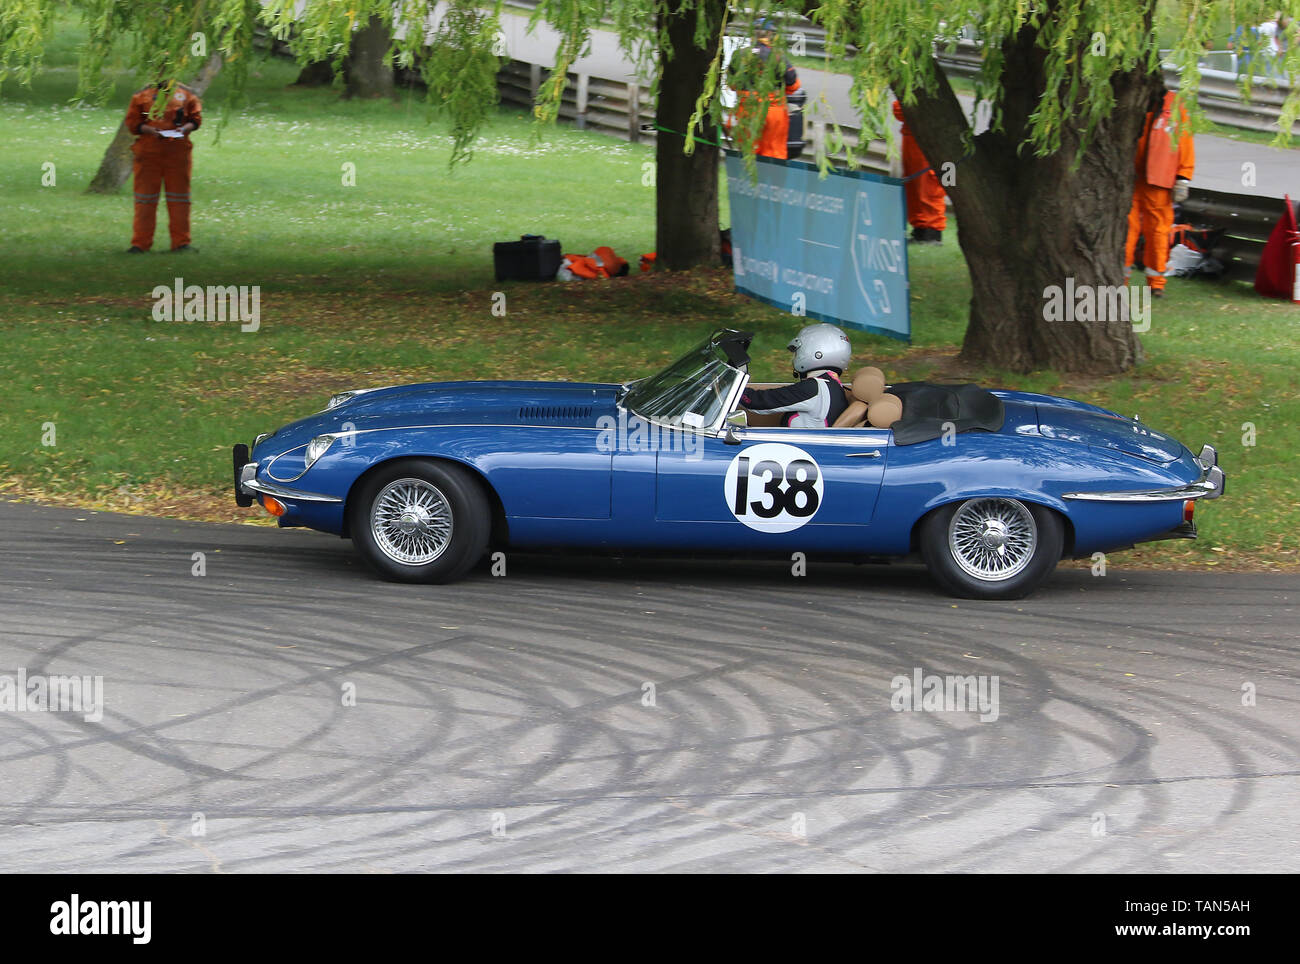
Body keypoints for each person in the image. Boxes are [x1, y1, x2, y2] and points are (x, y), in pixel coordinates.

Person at [1124, 86, 1195, 298]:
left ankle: (1156, 283)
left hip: (1159, 181)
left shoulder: (1175, 105)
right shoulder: (1130, 95)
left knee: (1158, 233)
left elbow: (1184, 141)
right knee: (1127, 231)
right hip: (1131, 179)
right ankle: (1120, 280)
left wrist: (1183, 177)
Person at [123, 75, 202, 253]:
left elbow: (195, 120)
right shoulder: (142, 97)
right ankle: (140, 244)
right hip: (149, 153)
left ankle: (181, 243)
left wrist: (183, 129)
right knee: (145, 199)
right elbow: (134, 123)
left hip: (178, 153)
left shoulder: (187, 96)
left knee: (179, 198)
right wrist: (151, 131)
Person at [739, 323, 851, 428]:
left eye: (798, 352)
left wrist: (733, 389)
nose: (795, 357)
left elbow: (756, 402)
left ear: (817, 353)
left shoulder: (814, 388)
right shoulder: (833, 386)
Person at [727, 19, 801, 160]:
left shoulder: (738, 55)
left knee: (748, 156)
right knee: (774, 156)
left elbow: (731, 85)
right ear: (770, 34)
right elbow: (794, 85)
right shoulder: (778, 57)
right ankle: (772, 181)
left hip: (746, 112)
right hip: (773, 112)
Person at [892, 100, 947, 244]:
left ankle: (930, 232)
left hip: (925, 142)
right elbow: (900, 111)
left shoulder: (931, 92)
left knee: (928, 188)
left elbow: (901, 110)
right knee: (915, 188)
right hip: (914, 139)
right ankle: (921, 230)